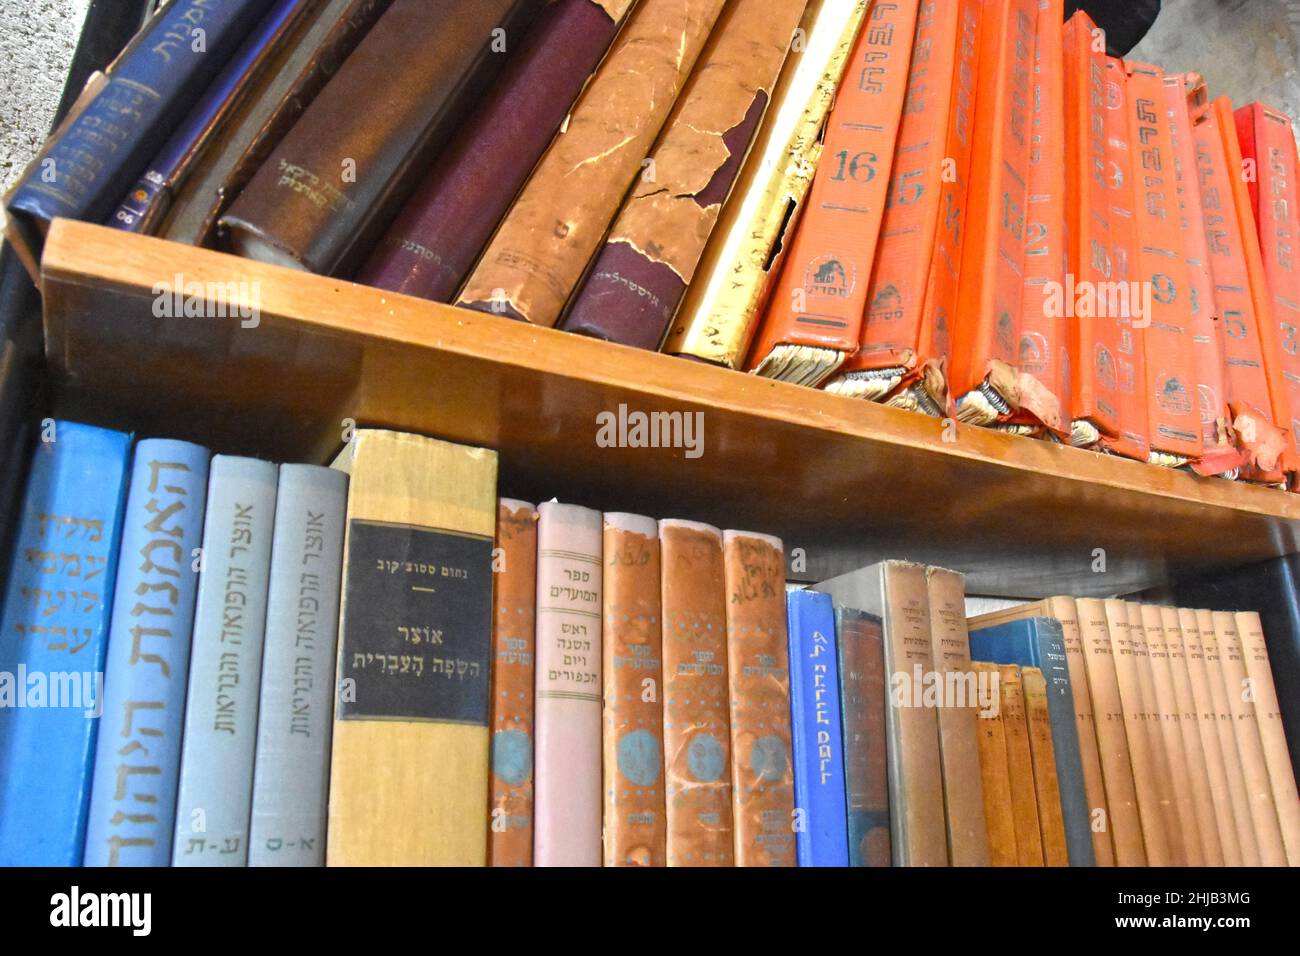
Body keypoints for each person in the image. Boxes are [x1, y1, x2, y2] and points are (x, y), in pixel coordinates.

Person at [1068, 0, 1162, 55]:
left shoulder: (1146, 8)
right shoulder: (1148, 8)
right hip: (1082, 48)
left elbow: (1112, 50)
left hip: (1080, 48)